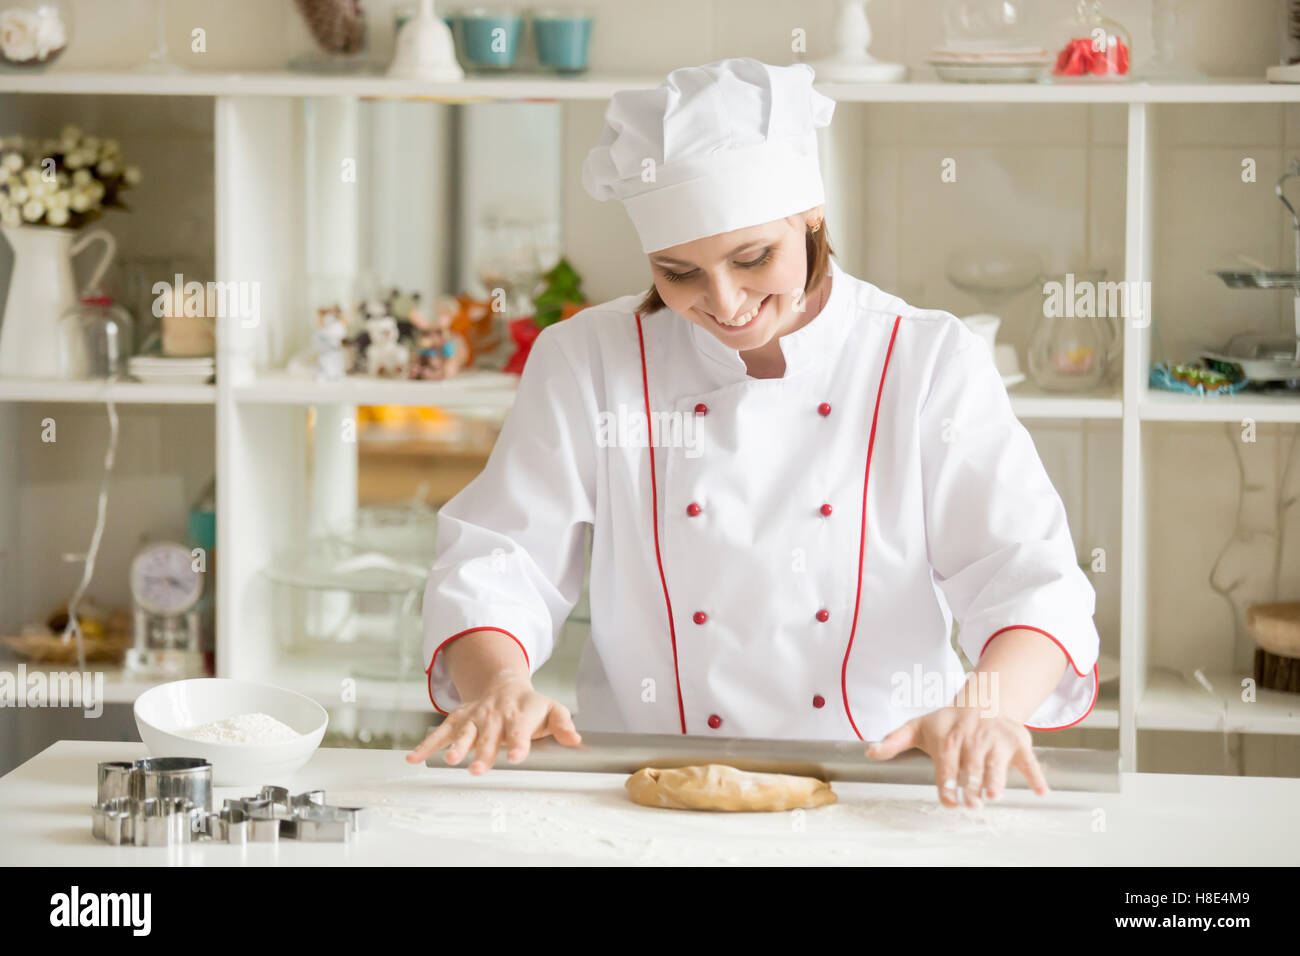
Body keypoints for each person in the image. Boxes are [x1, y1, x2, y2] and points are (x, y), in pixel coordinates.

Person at [407, 58, 1099, 809]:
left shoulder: (924, 358)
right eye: (679, 273)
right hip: (643, 790)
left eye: (752, 258)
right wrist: (501, 685)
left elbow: (1028, 576)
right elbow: (500, 559)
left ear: (811, 220)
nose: (726, 302)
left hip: (883, 786)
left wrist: (988, 711)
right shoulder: (589, 360)